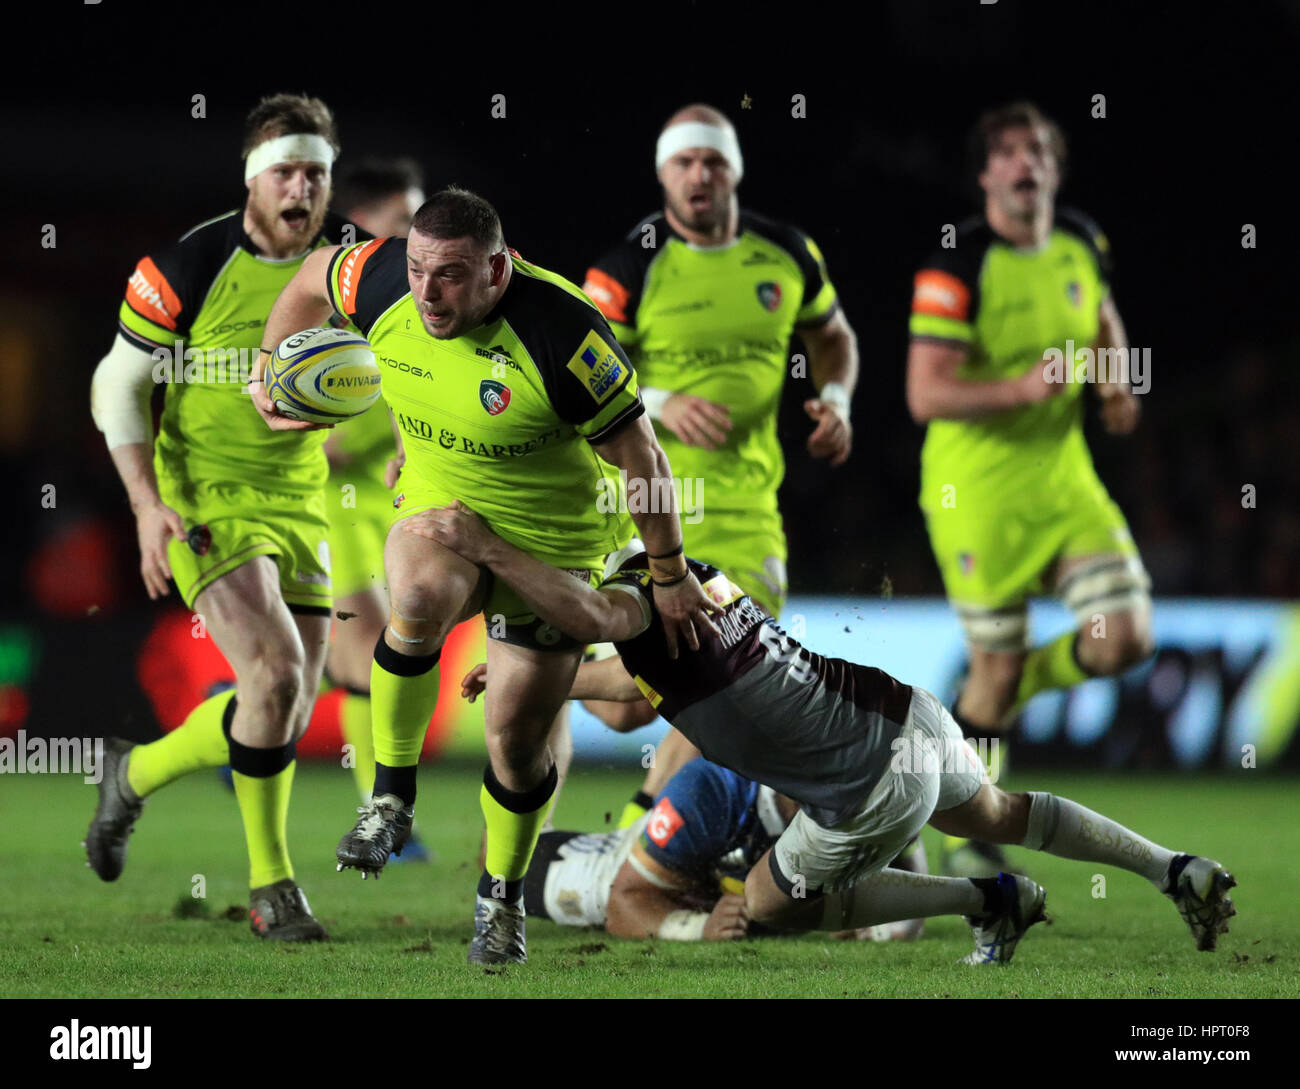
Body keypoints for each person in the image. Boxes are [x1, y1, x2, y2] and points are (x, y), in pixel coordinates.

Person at [427, 511, 1238, 963]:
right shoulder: (690, 583)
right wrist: (538, 677)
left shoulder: (635, 603)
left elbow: (598, 621)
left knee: (772, 904)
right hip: (907, 714)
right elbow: (621, 677)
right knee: (1001, 811)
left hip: (865, 779)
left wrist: (488, 548)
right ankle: (1173, 866)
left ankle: (988, 900)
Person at [251, 187, 718, 965]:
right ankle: (389, 799)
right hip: (441, 498)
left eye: (453, 275)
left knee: (515, 741)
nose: (428, 294)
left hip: (553, 535)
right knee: (421, 596)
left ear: (498, 269)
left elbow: (645, 458)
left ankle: (500, 896)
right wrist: (268, 369)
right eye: (419, 270)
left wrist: (668, 570)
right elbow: (306, 279)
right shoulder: (381, 281)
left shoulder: (563, 333)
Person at [86, 93, 364, 941]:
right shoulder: (190, 264)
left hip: (299, 496)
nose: (304, 189)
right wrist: (145, 507)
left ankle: (133, 775)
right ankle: (272, 886)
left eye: (316, 173)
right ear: (252, 180)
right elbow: (116, 386)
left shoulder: (353, 259)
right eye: (286, 171)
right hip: (205, 491)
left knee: (280, 698)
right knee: (274, 675)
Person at [582, 103, 858, 827]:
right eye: (683, 162)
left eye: (713, 160)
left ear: (734, 168)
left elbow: (835, 337)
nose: (699, 174)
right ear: (663, 175)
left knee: (715, 674)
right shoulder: (627, 264)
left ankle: (639, 834)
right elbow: (572, 375)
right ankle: (553, 694)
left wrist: (837, 399)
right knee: (625, 710)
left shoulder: (786, 251)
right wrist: (659, 398)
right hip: (647, 507)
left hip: (747, 512)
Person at [906, 102, 1152, 874]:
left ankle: (1008, 685)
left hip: (1064, 479)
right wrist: (1021, 385)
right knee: (997, 668)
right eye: (1009, 151)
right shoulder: (957, 263)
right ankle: (961, 832)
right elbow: (925, 393)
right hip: (974, 491)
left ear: (1054, 167)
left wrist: (1115, 381)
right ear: (986, 173)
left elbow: (1104, 315)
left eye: (1039, 149)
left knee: (1128, 638)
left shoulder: (1082, 239)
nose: (1026, 162)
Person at [480, 749, 928, 943]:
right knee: (505, 866)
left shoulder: (879, 797)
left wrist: (877, 927)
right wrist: (698, 928)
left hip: (714, 874)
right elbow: (623, 902)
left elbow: (912, 904)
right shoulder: (715, 792)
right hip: (616, 872)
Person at [325, 157, 431, 860]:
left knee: (364, 652)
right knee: (367, 650)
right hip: (326, 498)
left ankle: (383, 803)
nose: (415, 236)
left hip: (387, 495)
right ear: (362, 224)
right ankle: (382, 804)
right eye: (402, 221)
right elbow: (312, 429)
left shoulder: (406, 295)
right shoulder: (321, 290)